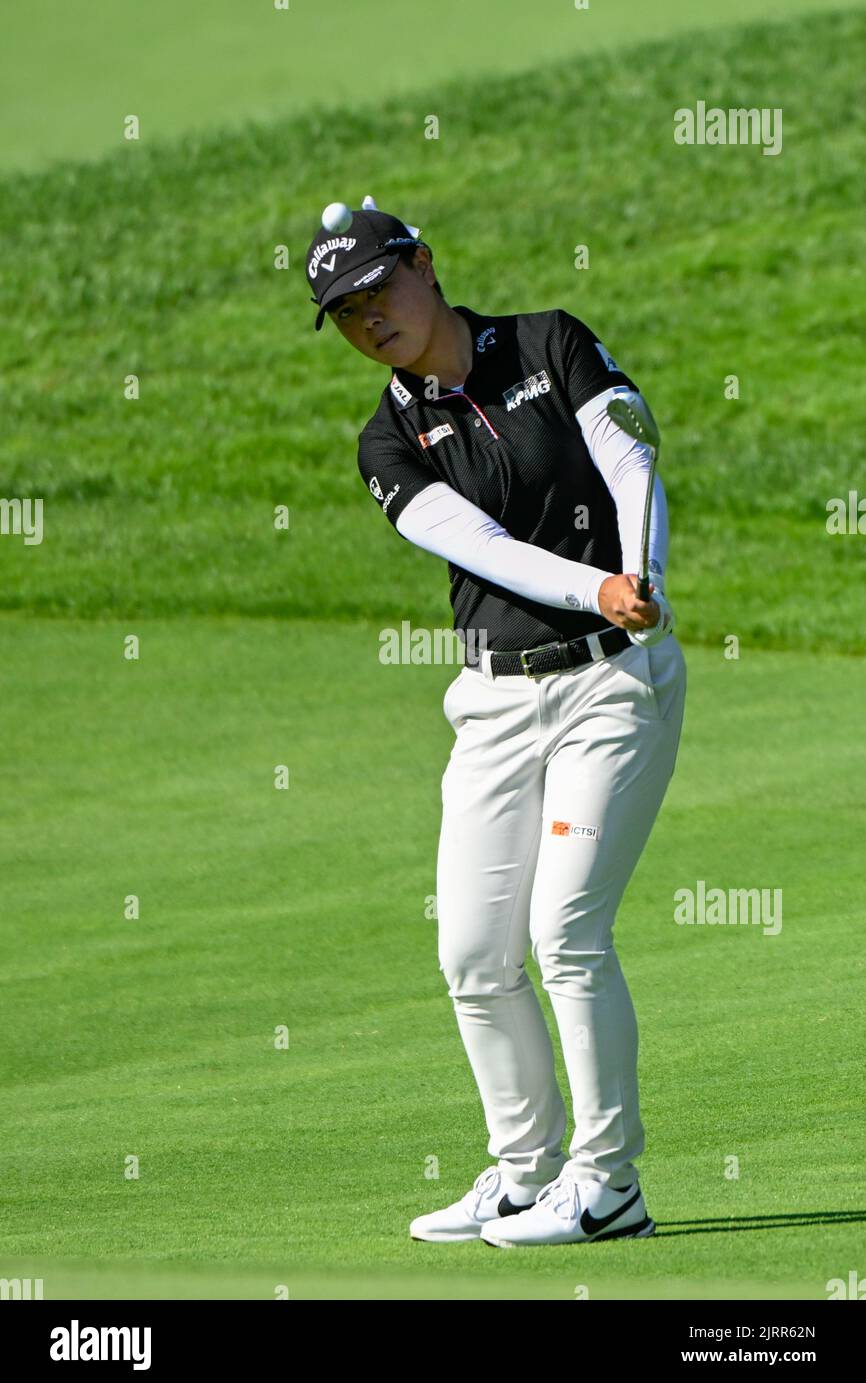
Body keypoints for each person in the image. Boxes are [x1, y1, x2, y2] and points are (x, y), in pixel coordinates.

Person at [305, 196, 686, 1247]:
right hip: (492, 702)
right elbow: (479, 546)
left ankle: (606, 1184)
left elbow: (629, 458)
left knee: (562, 931)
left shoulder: (545, 341)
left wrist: (637, 576)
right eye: (344, 312)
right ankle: (523, 1173)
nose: (368, 318)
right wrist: (591, 584)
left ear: (424, 265)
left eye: (378, 290)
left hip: (612, 685)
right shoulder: (387, 440)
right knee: (474, 952)